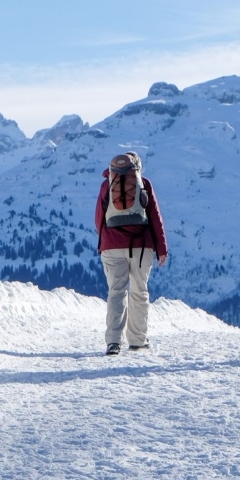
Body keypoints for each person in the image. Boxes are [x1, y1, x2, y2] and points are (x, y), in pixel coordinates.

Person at [95, 151, 167, 356]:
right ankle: (137, 340)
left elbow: (99, 218)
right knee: (139, 291)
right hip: (141, 246)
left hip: (111, 246)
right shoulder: (144, 183)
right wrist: (161, 248)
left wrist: (105, 242)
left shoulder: (106, 185)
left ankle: (113, 342)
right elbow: (155, 217)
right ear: (137, 167)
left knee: (116, 292)